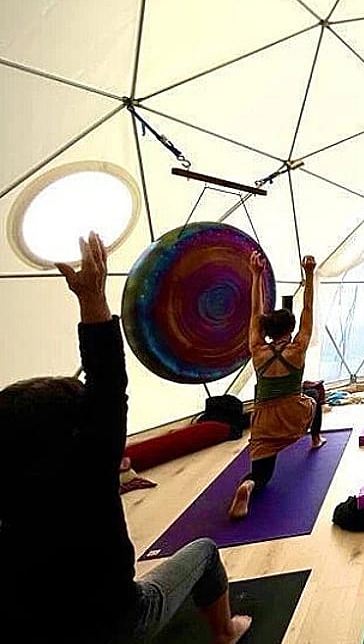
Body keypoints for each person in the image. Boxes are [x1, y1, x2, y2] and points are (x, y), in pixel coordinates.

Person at [0, 233, 250, 643]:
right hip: (118, 625)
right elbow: (109, 384)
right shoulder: (89, 472)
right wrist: (91, 297)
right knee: (203, 551)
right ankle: (226, 632)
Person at [229, 251, 324, 520]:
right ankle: (315, 438)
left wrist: (256, 275)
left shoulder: (257, 350)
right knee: (315, 395)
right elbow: (307, 310)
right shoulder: (297, 348)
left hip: (264, 421)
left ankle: (247, 486)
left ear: (267, 331)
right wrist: (308, 274)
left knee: (262, 475)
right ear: (291, 328)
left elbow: (256, 313)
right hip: (294, 413)